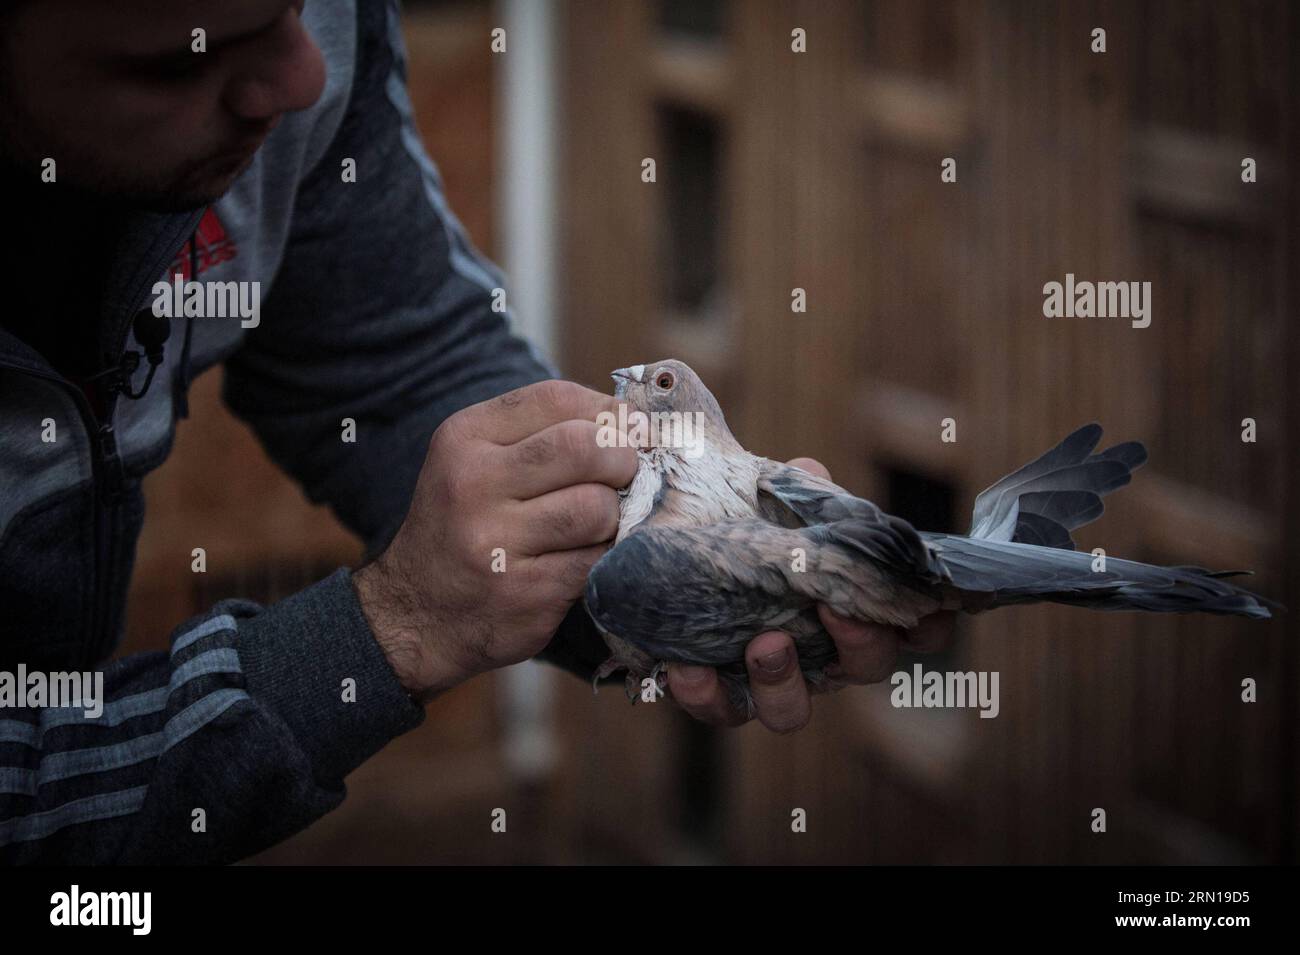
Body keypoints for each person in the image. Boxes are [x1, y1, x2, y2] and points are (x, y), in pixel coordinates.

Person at [0, 0, 952, 863]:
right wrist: (387, 628)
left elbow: (399, 366)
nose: (299, 80)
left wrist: (653, 574)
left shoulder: (307, 48)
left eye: (292, 8)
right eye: (177, 62)